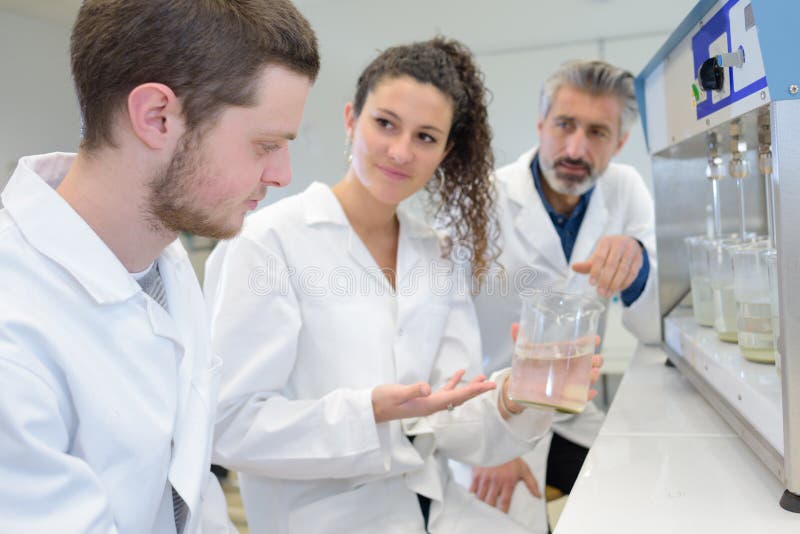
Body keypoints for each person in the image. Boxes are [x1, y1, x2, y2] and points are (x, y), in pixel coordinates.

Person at [204, 37, 603, 534]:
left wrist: (511, 399)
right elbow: (227, 424)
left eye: (425, 137)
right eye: (385, 123)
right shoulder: (269, 242)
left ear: (445, 151)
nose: (400, 151)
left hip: (431, 509)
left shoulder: (434, 252)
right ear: (352, 119)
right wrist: (367, 414)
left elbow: (449, 417)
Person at [0, 1, 319, 532]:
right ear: (157, 117)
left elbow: (188, 489)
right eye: (266, 144)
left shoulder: (162, 262)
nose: (284, 174)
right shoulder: (13, 335)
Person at [467, 60, 659, 532]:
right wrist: (485, 438)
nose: (576, 149)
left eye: (597, 132)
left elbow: (655, 323)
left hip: (572, 412)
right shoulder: (483, 200)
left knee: (645, 499)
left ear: (620, 142)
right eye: (564, 125)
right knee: (507, 520)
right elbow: (442, 329)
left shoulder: (626, 189)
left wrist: (637, 264)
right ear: (541, 124)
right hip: (491, 407)